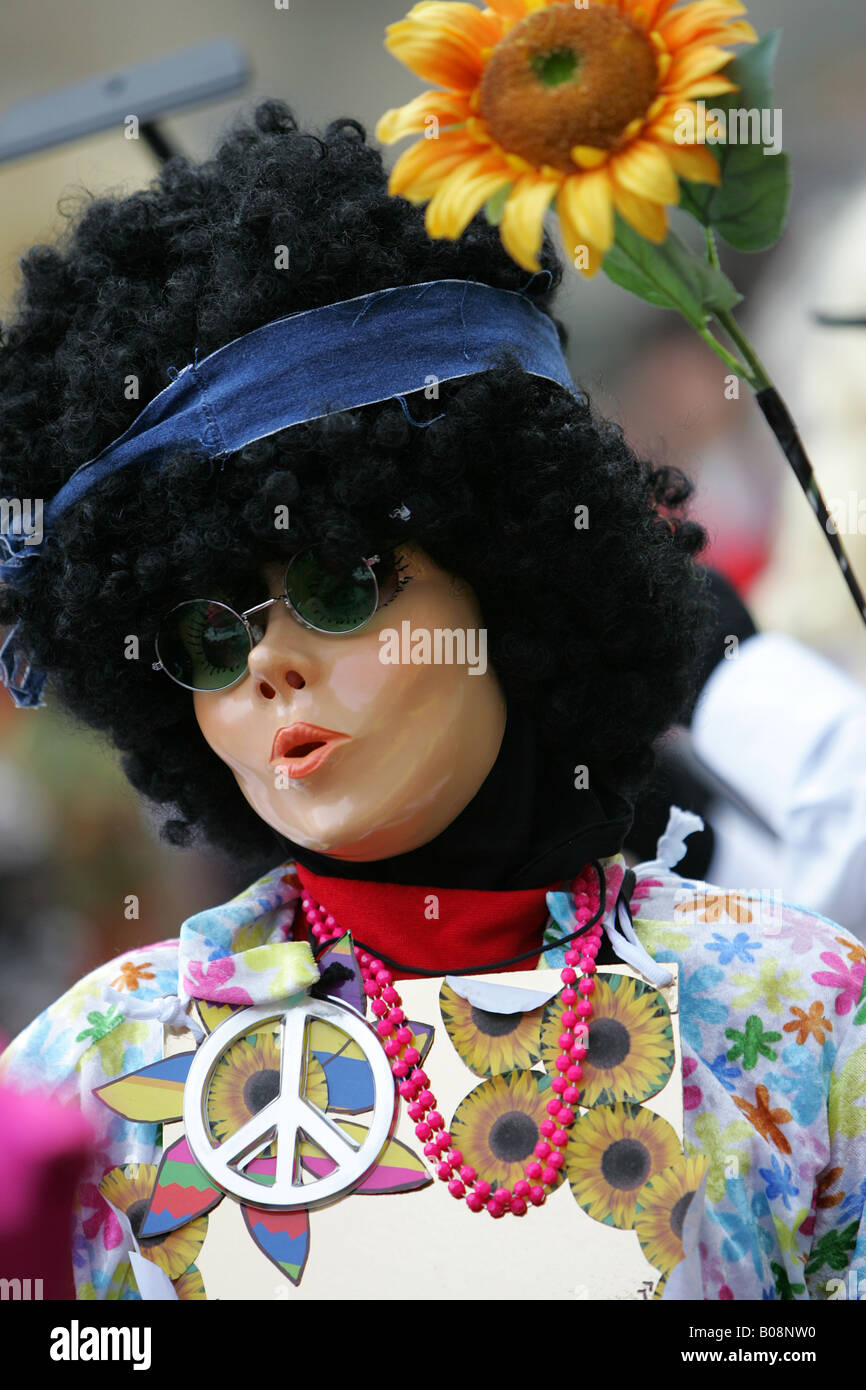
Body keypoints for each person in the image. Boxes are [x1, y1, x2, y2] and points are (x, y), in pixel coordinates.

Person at [0, 103, 863, 1301]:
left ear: (505, 574)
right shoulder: (94, 1074)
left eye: (338, 584)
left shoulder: (797, 1015)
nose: (266, 667)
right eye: (206, 635)